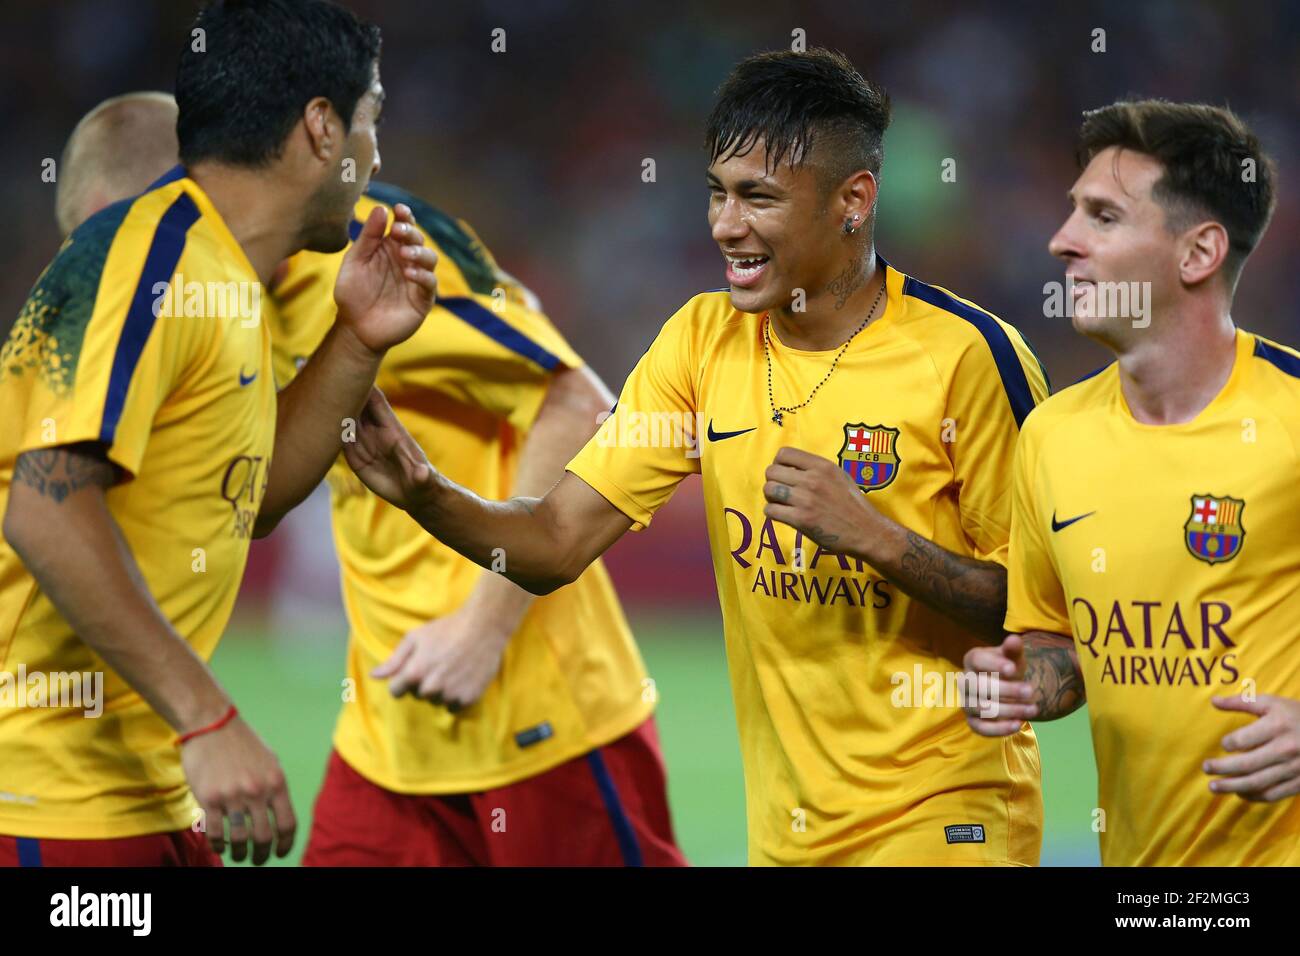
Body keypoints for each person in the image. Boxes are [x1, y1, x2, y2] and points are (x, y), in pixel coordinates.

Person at [341, 49, 1050, 865]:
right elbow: (554, 543)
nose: (725, 225)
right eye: (717, 192)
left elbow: (1043, 612)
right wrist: (425, 492)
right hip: (789, 832)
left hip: (948, 817)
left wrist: (877, 536)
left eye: (759, 198)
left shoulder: (967, 356)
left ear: (854, 200)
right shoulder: (702, 341)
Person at [0, 0, 436, 867]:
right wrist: (210, 716)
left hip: (136, 794)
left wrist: (357, 339)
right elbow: (45, 508)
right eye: (370, 118)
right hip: (49, 801)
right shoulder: (151, 255)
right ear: (320, 128)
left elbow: (248, 497)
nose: (375, 155)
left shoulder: (219, 273)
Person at [963, 99, 1300, 865]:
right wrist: (1020, 685)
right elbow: (1059, 648)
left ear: (1197, 253)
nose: (1061, 241)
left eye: (1103, 217)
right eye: (1071, 212)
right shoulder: (1053, 435)